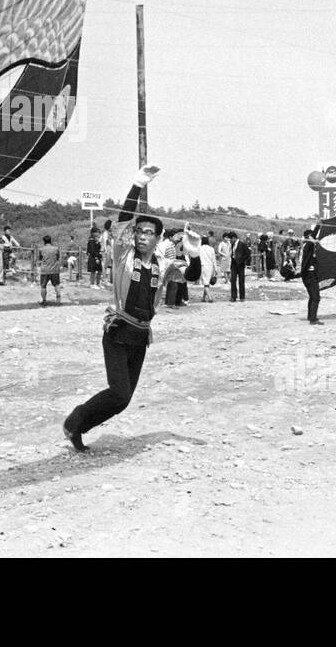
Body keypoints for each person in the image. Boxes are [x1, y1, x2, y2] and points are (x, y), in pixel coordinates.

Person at [61, 165, 198, 452]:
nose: (142, 236)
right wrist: (137, 184)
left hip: (140, 335)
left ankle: (77, 428)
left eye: (149, 233)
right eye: (139, 232)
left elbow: (193, 276)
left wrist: (194, 253)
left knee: (122, 400)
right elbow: (123, 219)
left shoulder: (164, 265)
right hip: (118, 330)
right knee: (119, 391)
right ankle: (75, 419)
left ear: (158, 238)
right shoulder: (124, 254)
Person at [37, 234, 62, 305]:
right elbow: (58, 258)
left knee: (43, 286)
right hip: (55, 270)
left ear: (44, 241)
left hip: (45, 270)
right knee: (57, 285)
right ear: (50, 241)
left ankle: (44, 300)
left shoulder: (41, 249)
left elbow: (39, 259)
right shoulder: (56, 249)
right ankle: (58, 299)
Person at [228, 231, 249, 302]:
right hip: (233, 264)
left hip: (240, 265)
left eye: (230, 239)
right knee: (233, 280)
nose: (230, 241)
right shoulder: (232, 245)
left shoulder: (242, 244)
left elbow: (248, 253)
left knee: (241, 281)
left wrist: (242, 260)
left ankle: (242, 297)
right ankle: (233, 296)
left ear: (234, 238)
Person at [197, 234, 218, 302]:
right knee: (207, 283)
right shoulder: (211, 249)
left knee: (205, 283)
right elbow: (214, 260)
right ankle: (203, 298)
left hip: (203, 266)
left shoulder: (199, 249)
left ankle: (210, 297)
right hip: (210, 267)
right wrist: (216, 269)